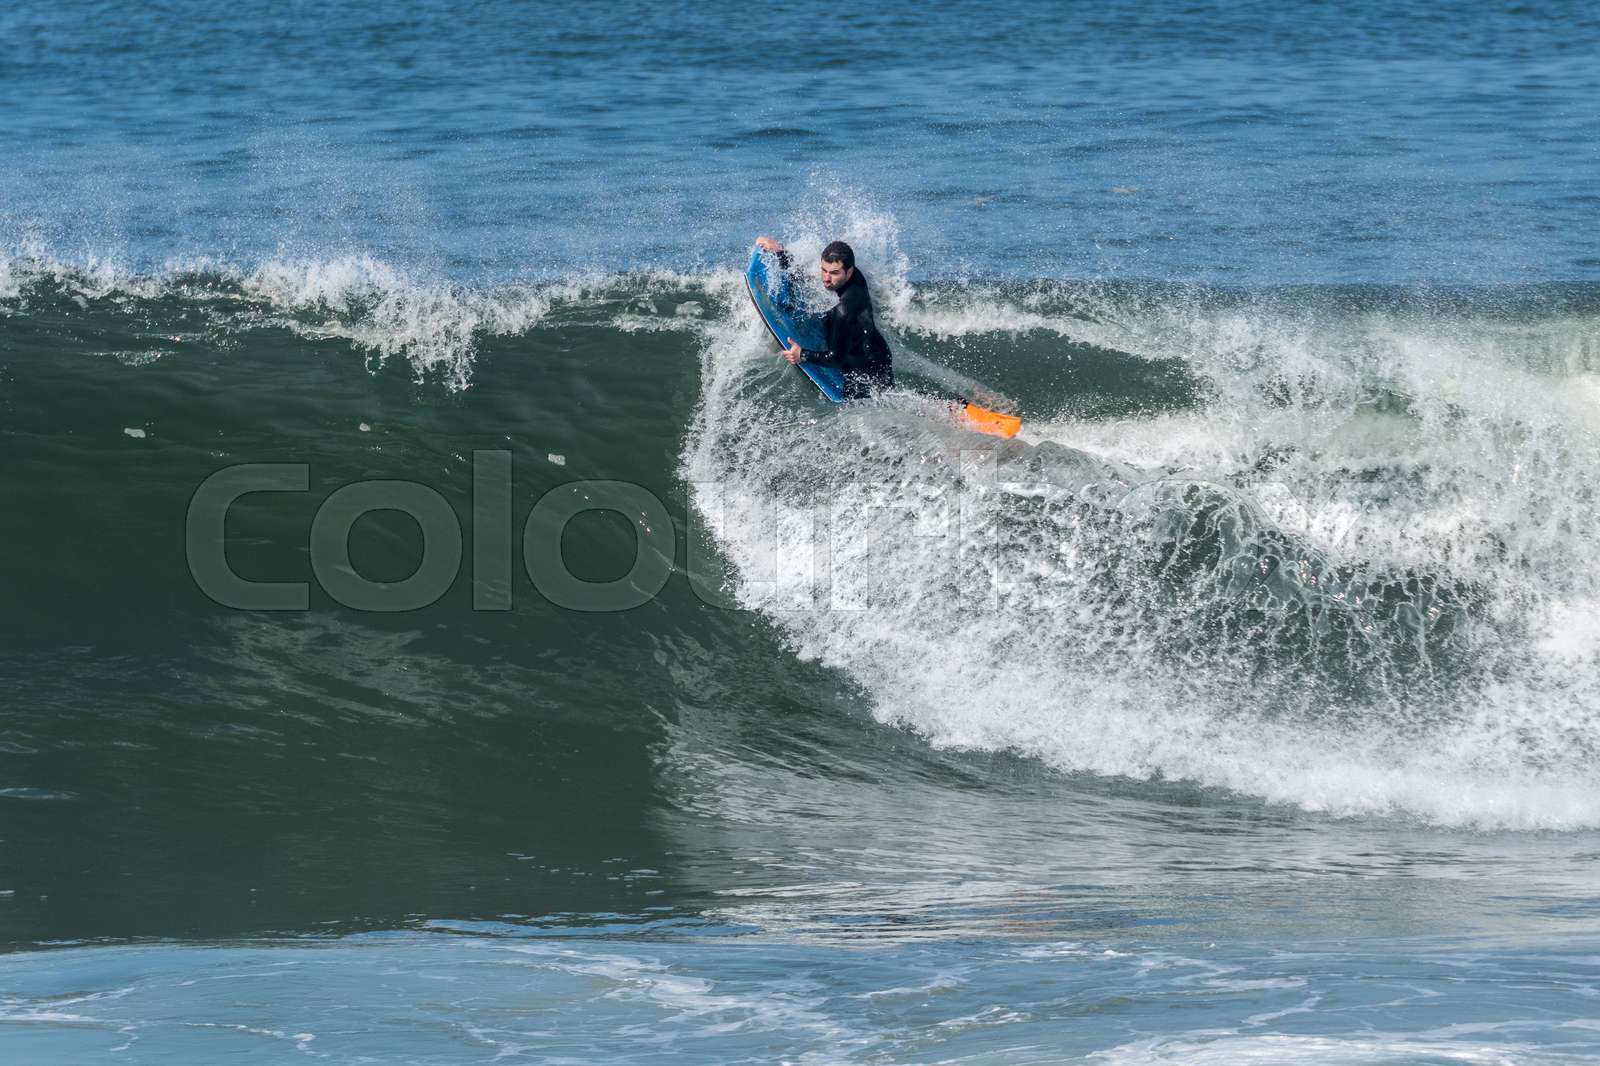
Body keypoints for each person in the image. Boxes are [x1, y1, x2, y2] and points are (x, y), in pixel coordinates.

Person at [755, 236, 893, 398]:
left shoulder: (844, 311)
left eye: (834, 273)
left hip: (866, 368)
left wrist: (802, 354)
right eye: (824, 270)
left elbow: (835, 358)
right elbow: (804, 280)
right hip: (873, 347)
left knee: (862, 403)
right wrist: (780, 254)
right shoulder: (854, 276)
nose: (826, 278)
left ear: (849, 271)